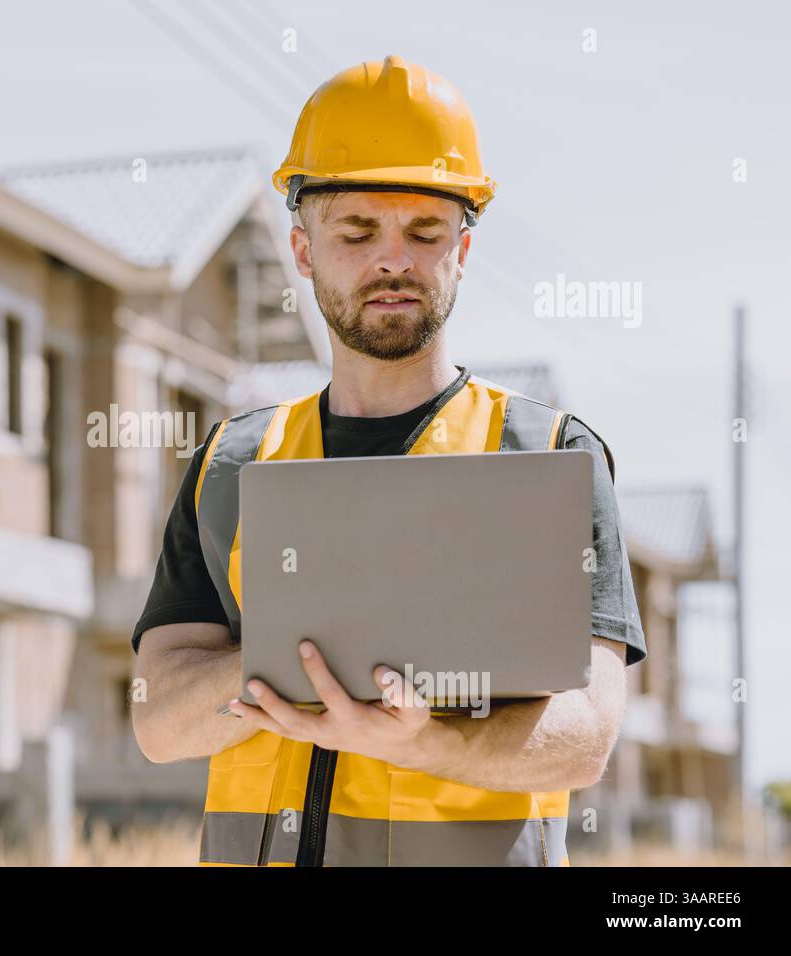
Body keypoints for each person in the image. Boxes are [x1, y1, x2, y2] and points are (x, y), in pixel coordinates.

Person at [129, 55, 647, 867]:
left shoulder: (549, 457)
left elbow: (587, 737)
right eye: (357, 232)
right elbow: (158, 724)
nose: (394, 261)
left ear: (463, 249)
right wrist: (282, 662)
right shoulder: (230, 465)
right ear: (303, 250)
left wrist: (423, 740)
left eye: (425, 233)